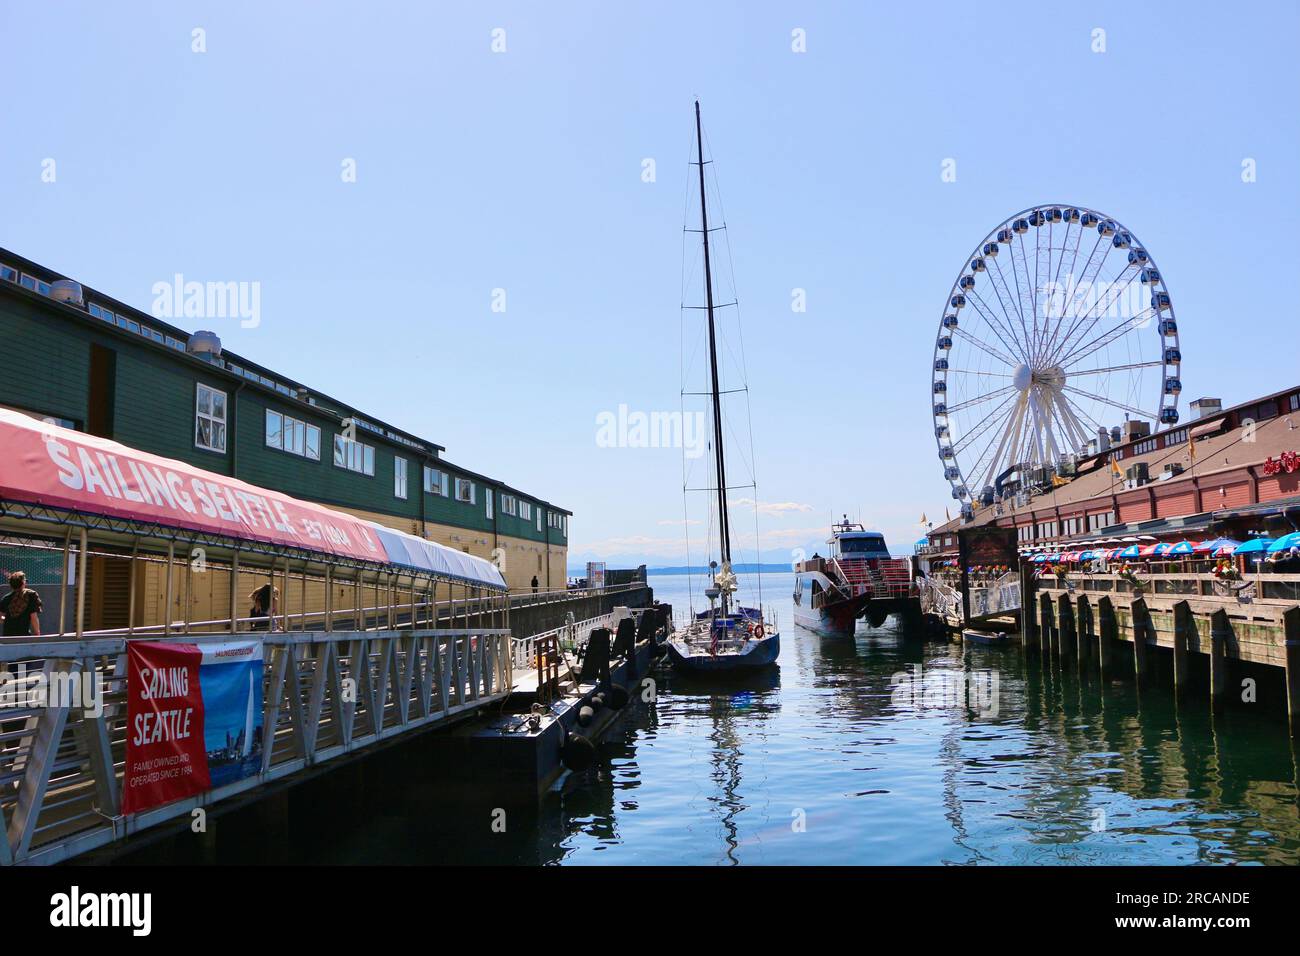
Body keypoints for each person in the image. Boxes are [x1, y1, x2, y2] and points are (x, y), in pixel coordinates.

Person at [0, 571, 42, 637]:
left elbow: (1, 617)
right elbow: (34, 617)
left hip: (8, 637)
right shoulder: (30, 595)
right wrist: (37, 633)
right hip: (24, 636)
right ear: (23, 583)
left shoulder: (6, 598)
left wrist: (7, 618)